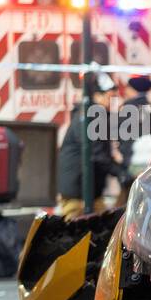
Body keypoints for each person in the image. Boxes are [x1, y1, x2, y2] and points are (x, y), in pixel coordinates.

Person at [57, 71, 126, 220]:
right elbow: (97, 153)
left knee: (104, 228)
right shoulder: (92, 115)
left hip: (89, 192)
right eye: (110, 96)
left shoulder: (93, 114)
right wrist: (121, 173)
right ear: (98, 95)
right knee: (75, 234)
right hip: (79, 194)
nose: (112, 101)